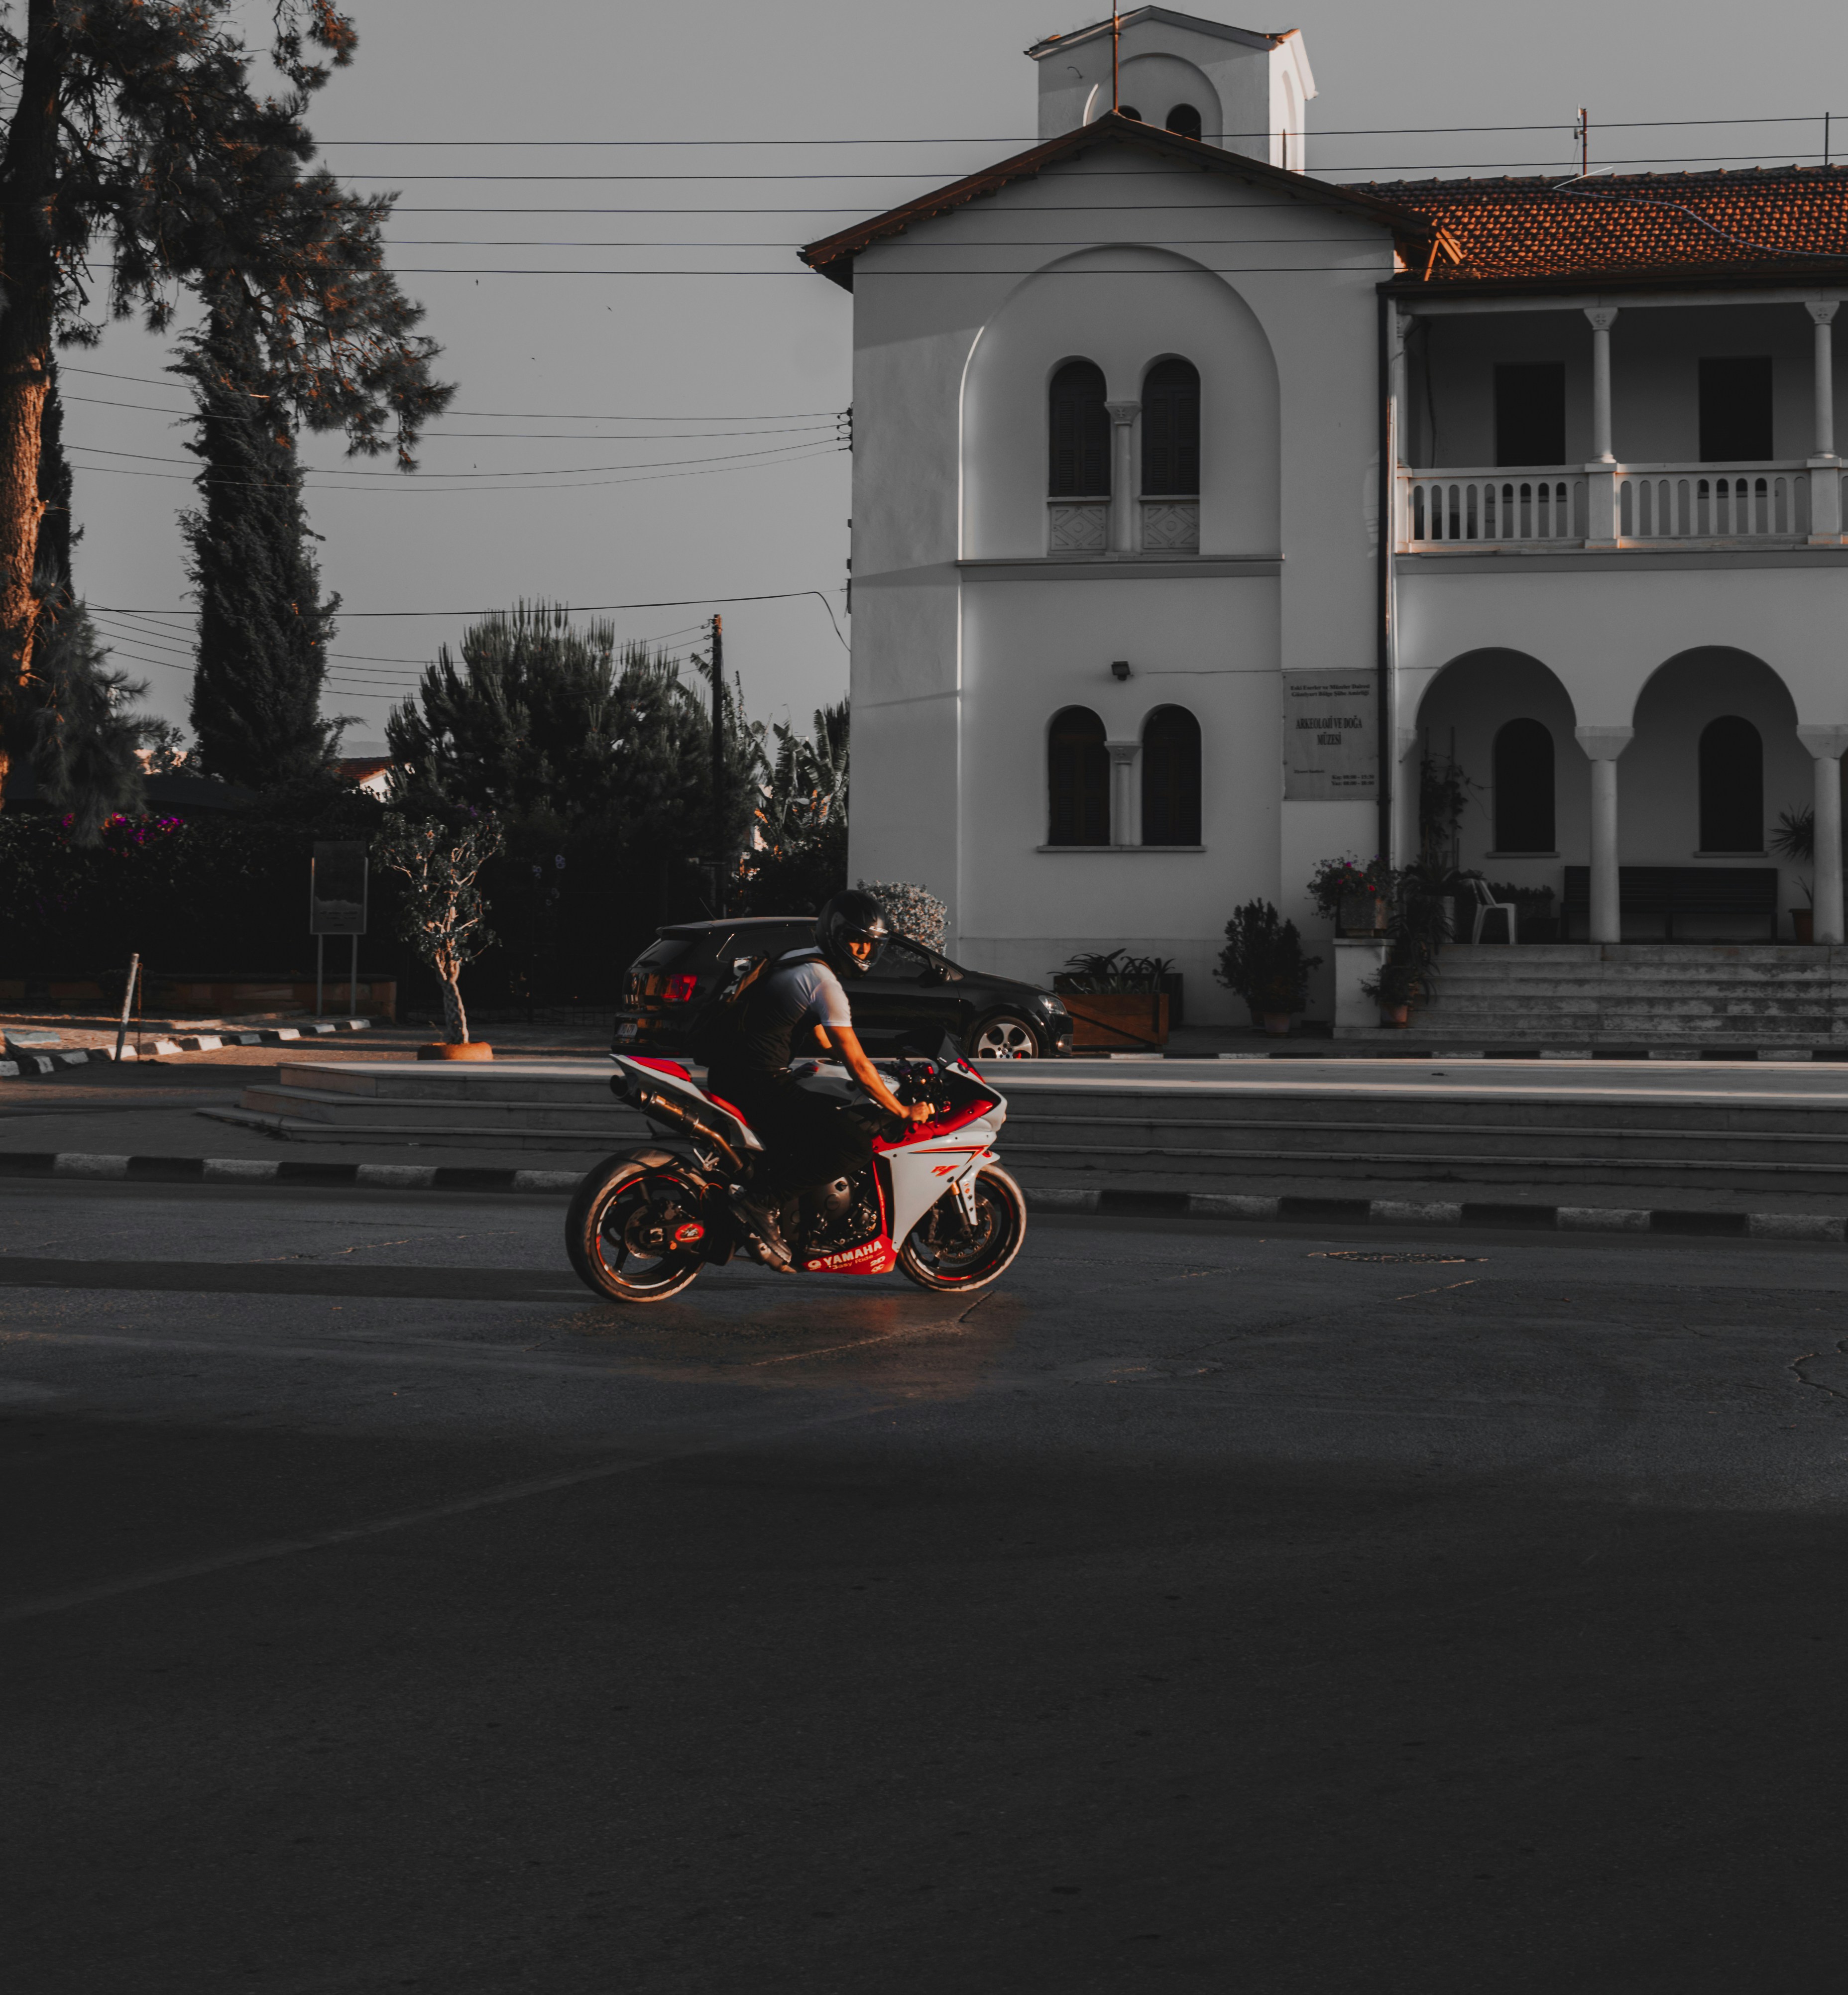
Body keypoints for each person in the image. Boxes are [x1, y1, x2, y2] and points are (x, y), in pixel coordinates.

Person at [707, 889, 932, 1270]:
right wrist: (901, 1109)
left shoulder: (797, 961)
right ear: (836, 935)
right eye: (856, 942)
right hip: (760, 1081)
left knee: (806, 1129)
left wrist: (873, 1070)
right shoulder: (824, 982)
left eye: (869, 945)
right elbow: (856, 1063)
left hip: (730, 1074)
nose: (863, 953)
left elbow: (824, 1039)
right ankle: (760, 1202)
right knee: (852, 1144)